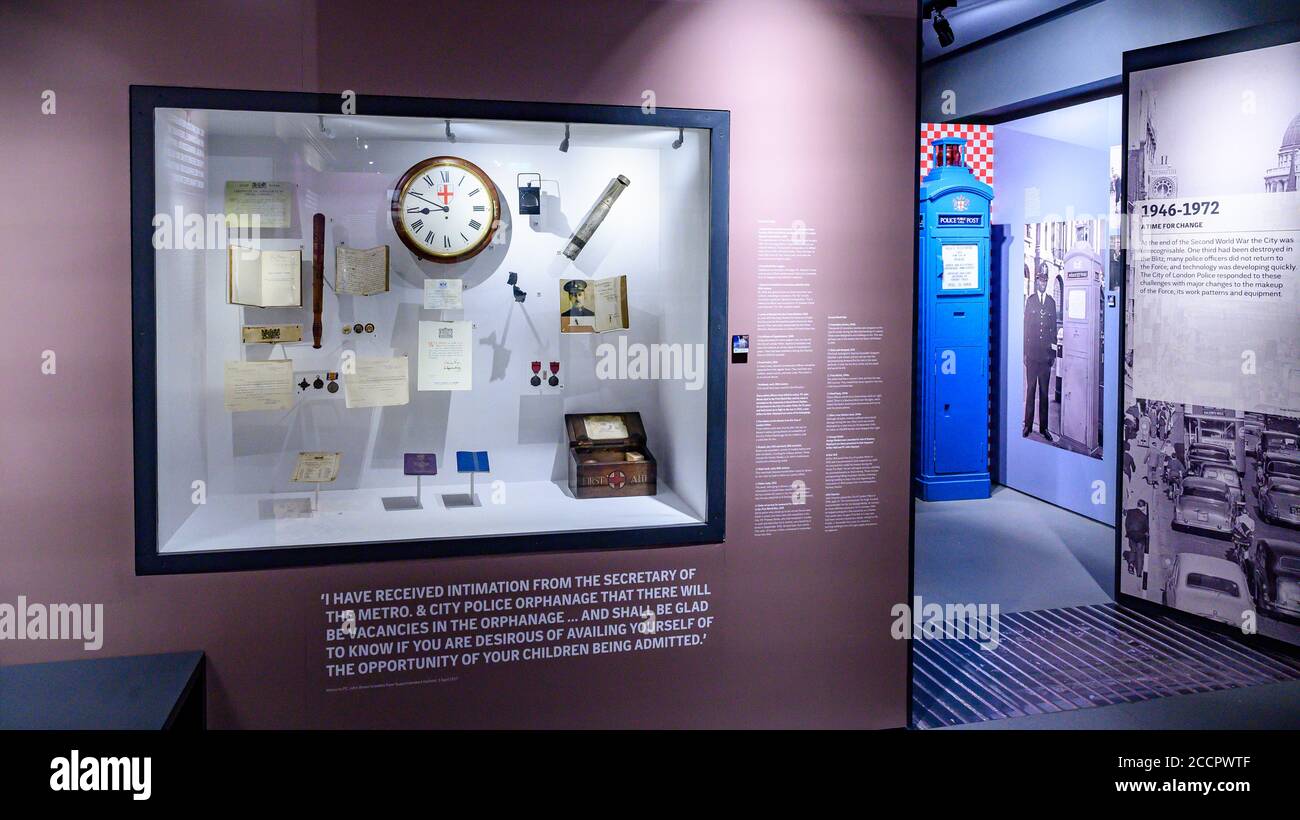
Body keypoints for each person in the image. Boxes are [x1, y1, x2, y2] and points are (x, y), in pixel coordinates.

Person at [1022, 264, 1057, 442]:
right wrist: (1024, 353)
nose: (1042, 283)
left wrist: (1052, 356)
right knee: (1030, 391)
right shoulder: (1030, 301)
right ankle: (1027, 425)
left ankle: (1044, 428)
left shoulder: (1051, 302)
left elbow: (1053, 332)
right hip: (1032, 356)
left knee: (1044, 393)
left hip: (1045, 358)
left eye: (1044, 280)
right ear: (1036, 282)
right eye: (1039, 280)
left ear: (1047, 282)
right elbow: (1026, 327)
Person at [1123, 500, 1149, 576]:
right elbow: (1146, 528)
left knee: (1133, 550)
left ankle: (1131, 565)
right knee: (1140, 553)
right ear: (1143, 507)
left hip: (1131, 534)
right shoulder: (1144, 517)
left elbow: (1126, 521)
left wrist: (1128, 532)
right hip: (1140, 536)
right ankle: (1139, 572)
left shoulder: (1130, 512)